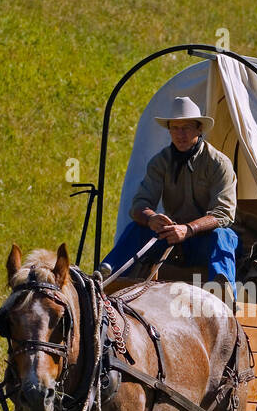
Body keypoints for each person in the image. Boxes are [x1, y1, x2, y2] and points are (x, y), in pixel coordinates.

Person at [97, 95, 238, 298]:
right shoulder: (160, 162)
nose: (180, 134)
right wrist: (151, 218)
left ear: (199, 129)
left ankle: (222, 293)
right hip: (172, 238)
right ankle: (108, 276)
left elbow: (224, 214)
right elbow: (139, 204)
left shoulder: (218, 163)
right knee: (136, 228)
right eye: (175, 128)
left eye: (186, 128)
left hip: (203, 239)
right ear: (169, 131)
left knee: (223, 236)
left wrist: (189, 229)